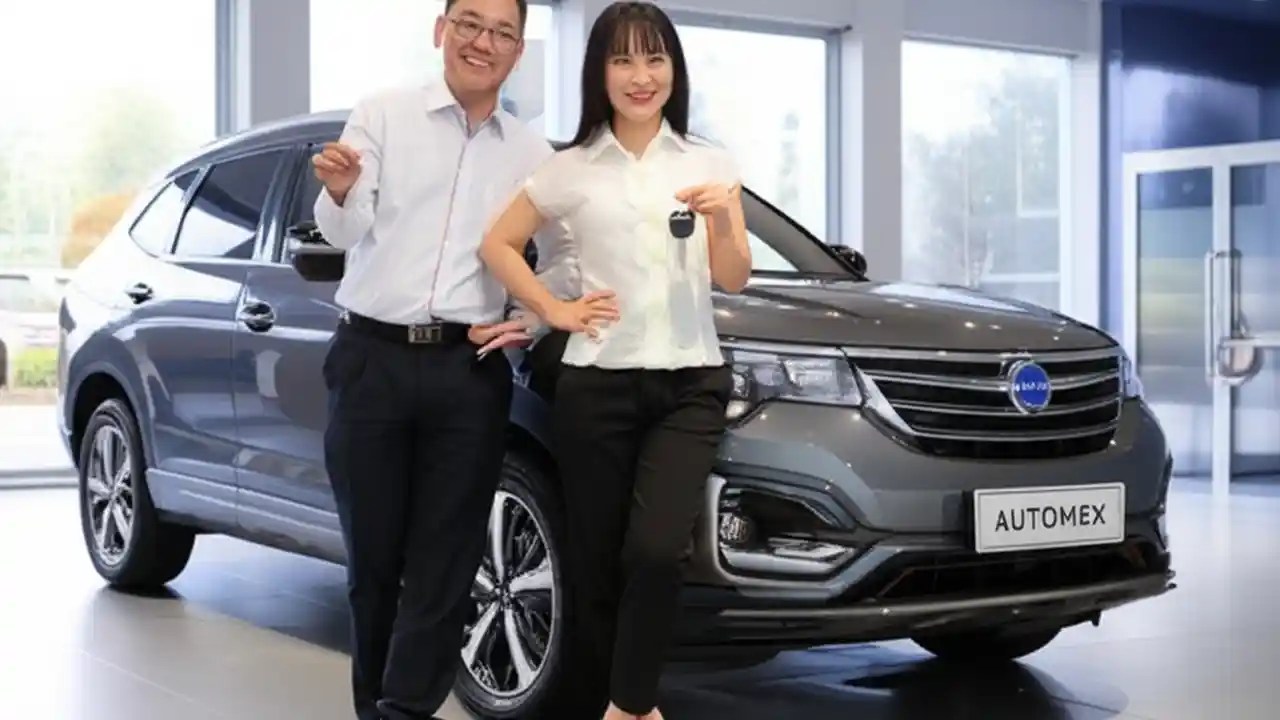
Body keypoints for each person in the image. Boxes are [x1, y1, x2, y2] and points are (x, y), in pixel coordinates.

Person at [478, 3, 752, 718]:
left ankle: (631, 706)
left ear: (673, 70)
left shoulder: (710, 162)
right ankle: (610, 703)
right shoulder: (568, 170)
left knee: (659, 552)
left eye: (654, 58)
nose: (641, 76)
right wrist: (555, 311)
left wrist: (725, 217)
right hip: (595, 385)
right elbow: (498, 246)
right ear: (599, 71)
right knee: (595, 561)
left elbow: (734, 276)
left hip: (690, 382)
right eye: (623, 59)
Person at [309, 0, 576, 718]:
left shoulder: (531, 154)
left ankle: (402, 712)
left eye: (502, 32)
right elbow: (347, 224)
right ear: (441, 30)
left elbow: (563, 258)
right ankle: (380, 707)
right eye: (469, 23)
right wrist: (337, 190)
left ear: (518, 52)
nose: (483, 42)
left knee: (447, 567)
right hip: (371, 358)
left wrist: (529, 318)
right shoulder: (384, 113)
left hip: (468, 370)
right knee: (375, 565)